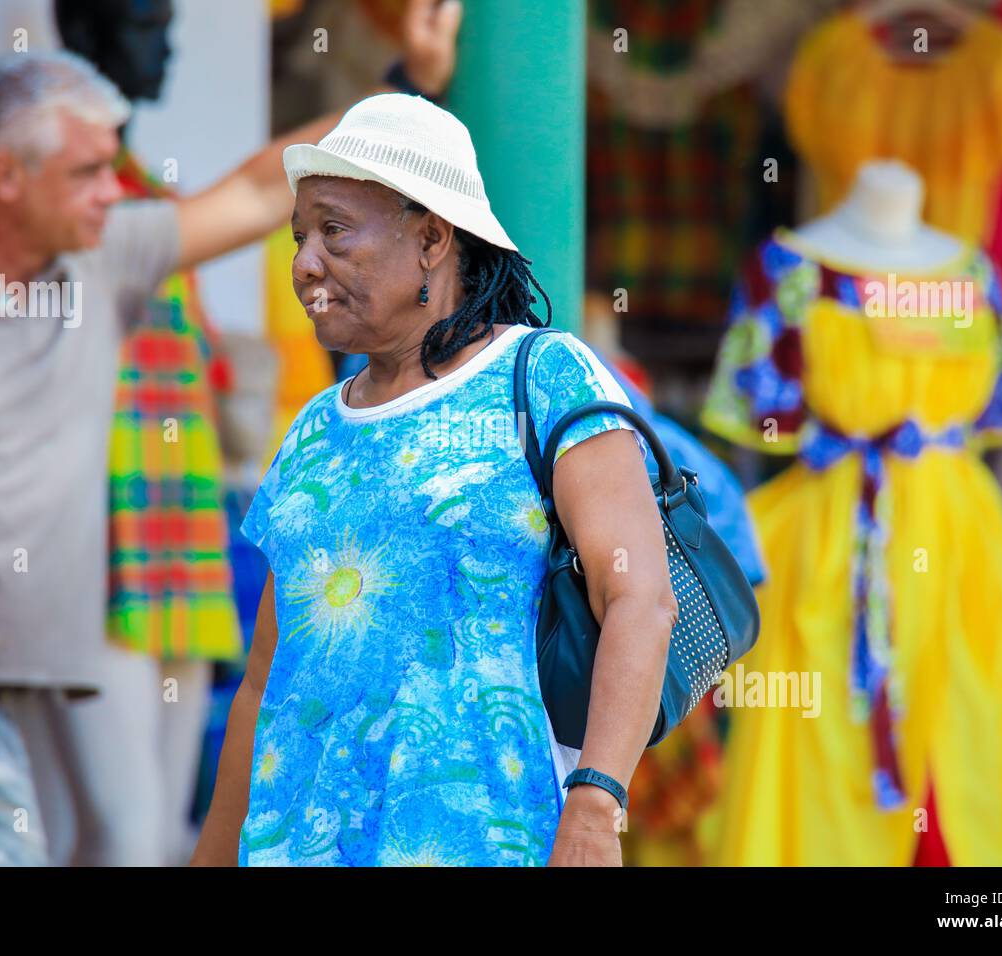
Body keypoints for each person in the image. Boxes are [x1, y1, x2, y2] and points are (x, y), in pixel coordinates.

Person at [0, 0, 460, 866]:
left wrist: (405, 93)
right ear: (8, 177)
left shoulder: (101, 257)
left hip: (4, 695)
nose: (109, 191)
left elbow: (251, 191)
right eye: (87, 172)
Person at [192, 94, 678, 867]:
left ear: (430, 238)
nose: (304, 263)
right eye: (299, 237)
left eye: (335, 232)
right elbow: (261, 686)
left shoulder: (543, 375)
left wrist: (595, 802)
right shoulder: (313, 431)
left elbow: (639, 598)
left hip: (485, 836)